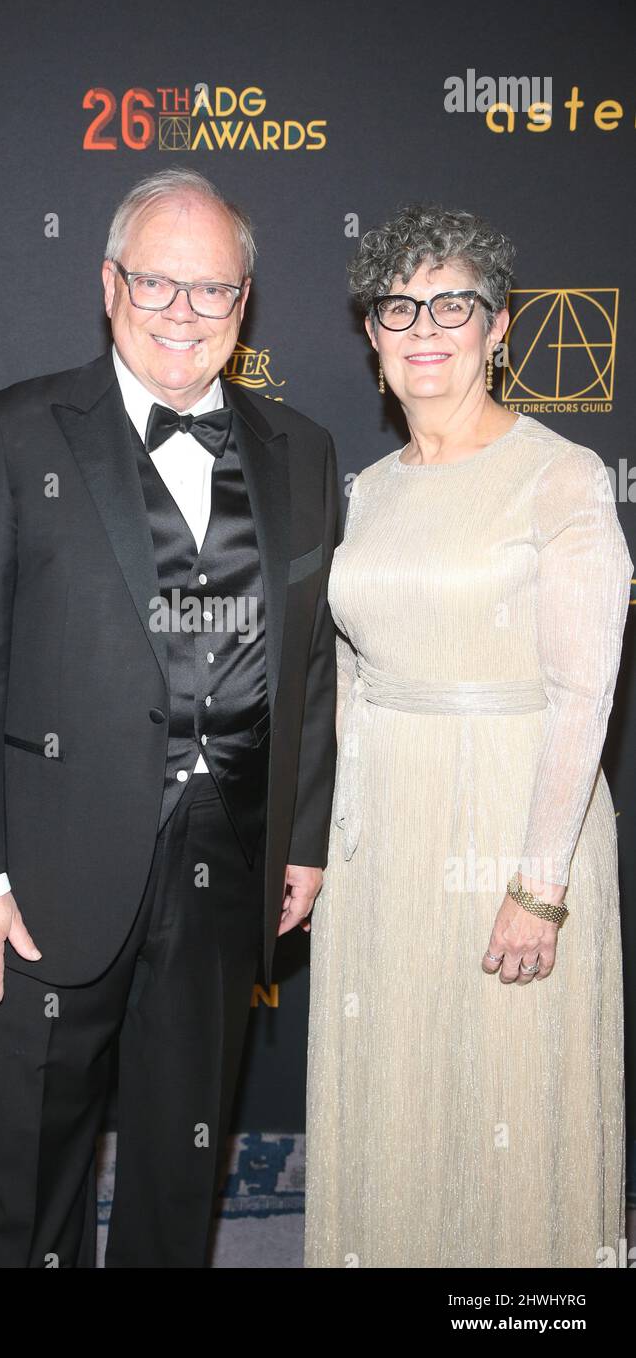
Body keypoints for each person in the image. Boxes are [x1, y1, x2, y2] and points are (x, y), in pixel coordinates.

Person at [0, 167, 339, 1268]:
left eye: (212, 291)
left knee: (179, 1161)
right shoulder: (10, 433)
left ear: (243, 304)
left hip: (224, 865)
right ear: (108, 284)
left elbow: (308, 666)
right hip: (44, 873)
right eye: (156, 283)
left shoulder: (302, 449)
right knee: (33, 1166)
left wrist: (296, 837)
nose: (183, 315)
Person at [305, 203, 633, 1268]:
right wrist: (325, 843)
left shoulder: (561, 475)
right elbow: (349, 673)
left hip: (514, 823)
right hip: (381, 838)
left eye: (454, 303)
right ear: (371, 334)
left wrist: (537, 884)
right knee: (395, 1085)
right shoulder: (365, 491)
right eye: (399, 306)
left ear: (498, 327)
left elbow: (584, 691)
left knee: (511, 1089)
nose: (425, 327)